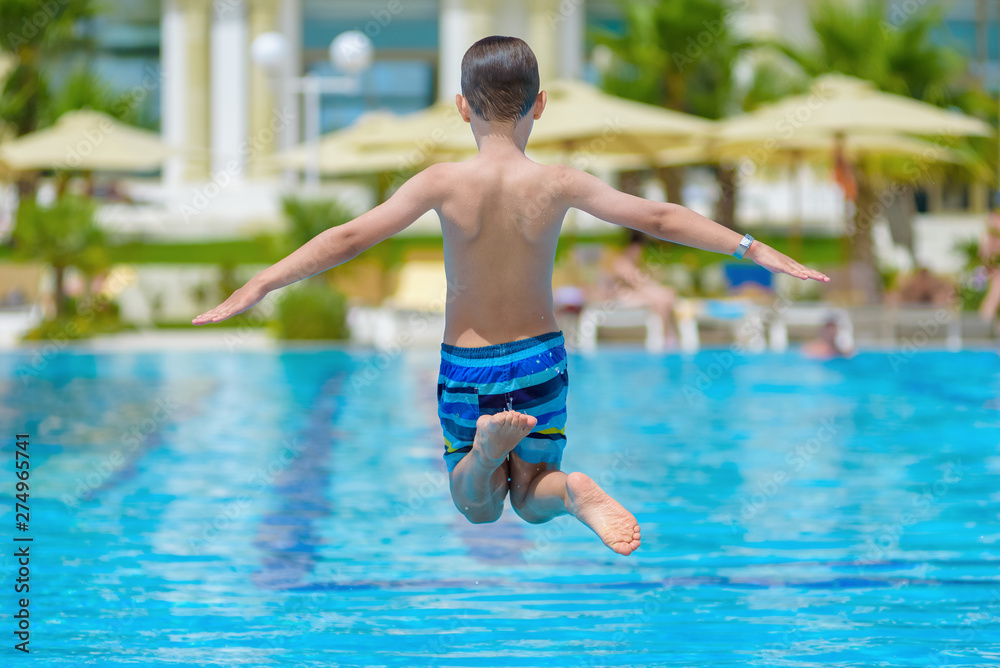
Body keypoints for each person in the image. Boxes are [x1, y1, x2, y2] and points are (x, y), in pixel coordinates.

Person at [192, 36, 829, 556]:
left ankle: (482, 453)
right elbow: (658, 218)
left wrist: (261, 281)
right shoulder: (558, 182)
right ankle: (573, 491)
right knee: (532, 499)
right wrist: (752, 247)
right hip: (540, 358)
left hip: (468, 360)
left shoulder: (441, 182)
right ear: (540, 105)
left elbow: (352, 236)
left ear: (462, 107)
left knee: (475, 504)